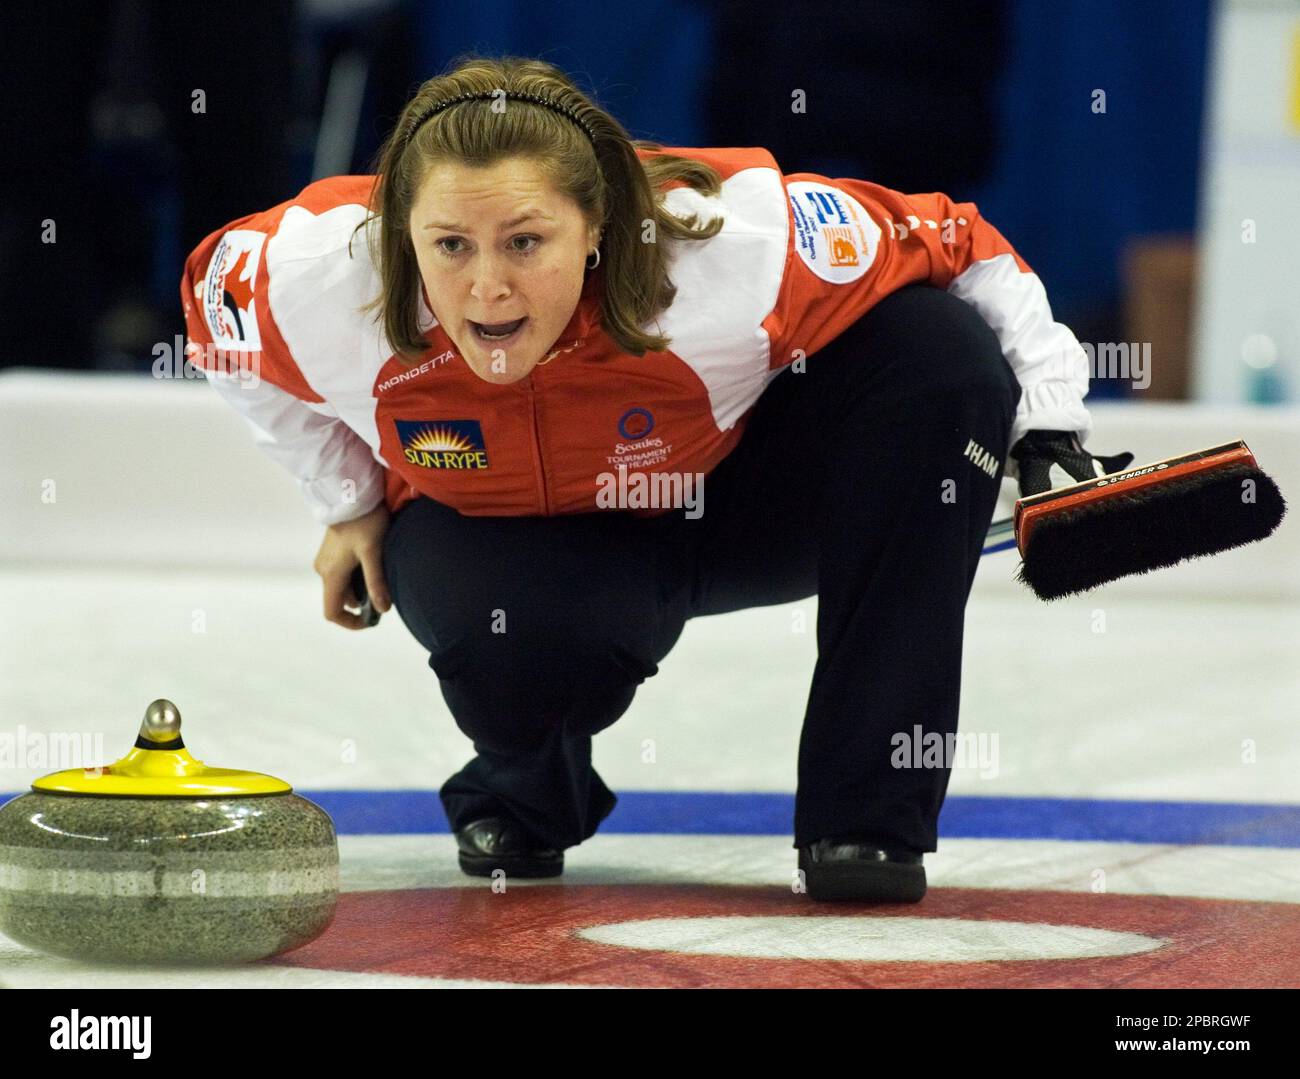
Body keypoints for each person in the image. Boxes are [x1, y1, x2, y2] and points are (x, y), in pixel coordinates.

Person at [180, 54, 1111, 903]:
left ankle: (864, 823)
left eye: (525, 241)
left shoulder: (730, 245)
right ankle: (524, 788)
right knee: (514, 655)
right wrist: (347, 499)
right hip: (505, 540)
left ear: (596, 228)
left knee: (937, 353)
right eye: (450, 245)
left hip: (722, 504)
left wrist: (1050, 421)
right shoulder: (310, 276)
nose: (487, 288)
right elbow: (213, 325)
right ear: (399, 231)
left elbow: (962, 243)